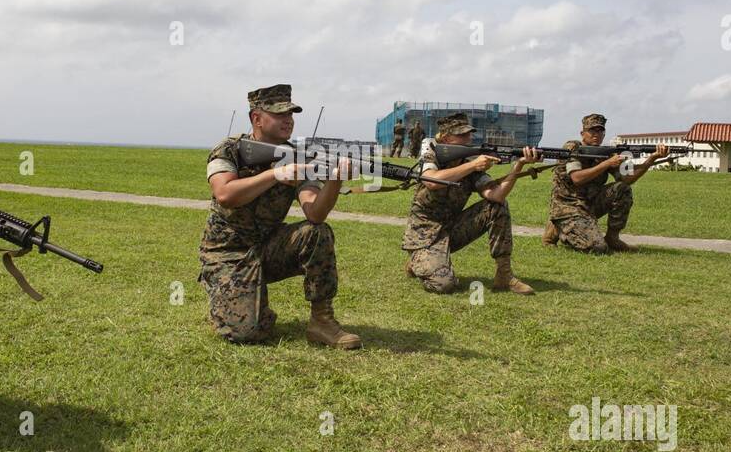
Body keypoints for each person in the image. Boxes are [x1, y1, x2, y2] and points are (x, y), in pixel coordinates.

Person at [199, 84, 361, 349]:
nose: (288, 120)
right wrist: (274, 175)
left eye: (291, 114)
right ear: (256, 118)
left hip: (267, 247)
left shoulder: (298, 157)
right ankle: (233, 300)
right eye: (279, 114)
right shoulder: (229, 149)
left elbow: (315, 213)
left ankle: (322, 321)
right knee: (247, 333)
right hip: (226, 253)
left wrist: (335, 181)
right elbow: (225, 194)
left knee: (316, 232)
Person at [401, 113, 536, 294]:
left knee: (498, 207)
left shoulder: (470, 162)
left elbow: (496, 195)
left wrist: (518, 165)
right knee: (444, 285)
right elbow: (431, 181)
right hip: (424, 235)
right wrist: (472, 166)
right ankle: (417, 261)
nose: (468, 138)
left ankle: (504, 275)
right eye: (462, 135)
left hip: (452, 229)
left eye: (469, 134)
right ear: (446, 137)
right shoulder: (432, 154)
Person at [542, 113, 668, 253]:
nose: (596, 134)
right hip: (568, 206)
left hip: (590, 204)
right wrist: (607, 164)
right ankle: (558, 226)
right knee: (598, 248)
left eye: (600, 130)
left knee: (622, 188)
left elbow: (626, 179)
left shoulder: (607, 154)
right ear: (582, 133)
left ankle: (612, 238)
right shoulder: (573, 148)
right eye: (592, 130)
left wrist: (651, 159)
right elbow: (577, 178)